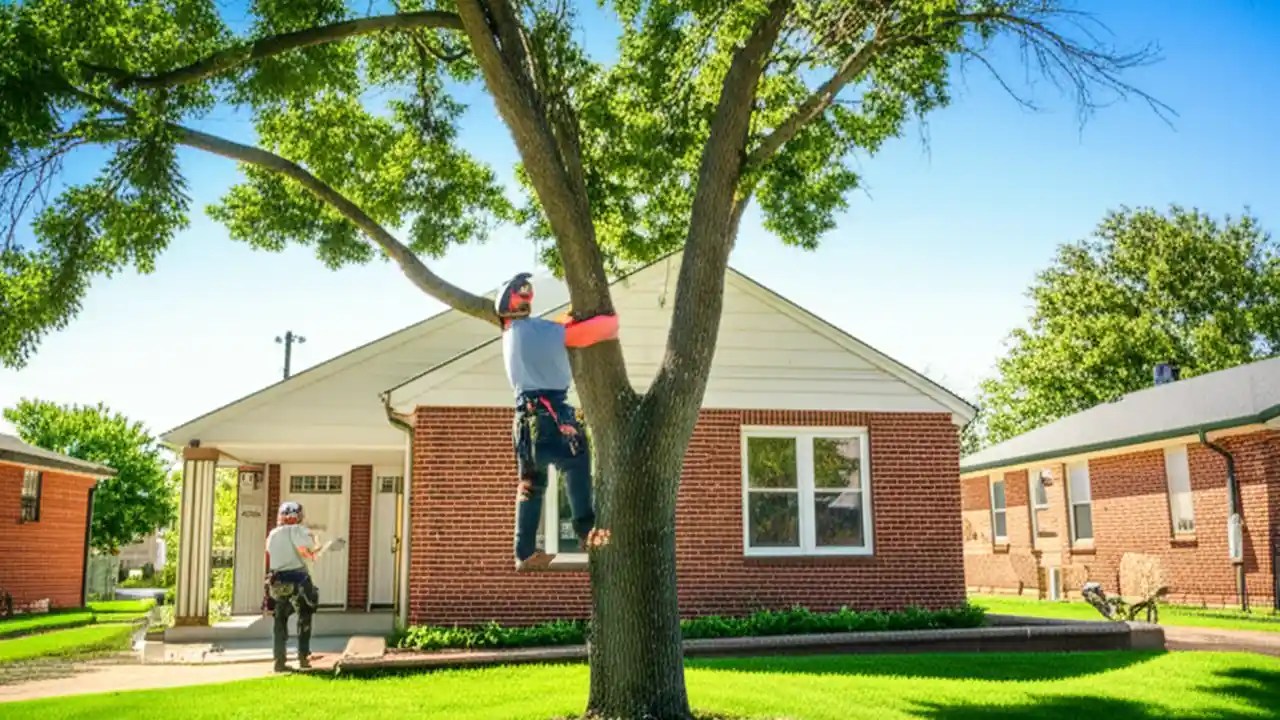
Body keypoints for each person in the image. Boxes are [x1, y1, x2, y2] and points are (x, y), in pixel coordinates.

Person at [499, 272, 618, 570]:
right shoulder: (539, 330)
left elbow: (557, 328)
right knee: (577, 464)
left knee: (530, 484)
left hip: (524, 424)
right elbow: (591, 332)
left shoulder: (513, 334)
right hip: (553, 417)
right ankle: (585, 531)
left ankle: (524, 553)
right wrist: (611, 321)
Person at [263, 500, 320, 672]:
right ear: (299, 516)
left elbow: (267, 558)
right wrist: (316, 547)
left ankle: (279, 661)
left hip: (277, 580)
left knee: (279, 620)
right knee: (304, 617)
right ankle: (303, 657)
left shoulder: (272, 534)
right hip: (299, 579)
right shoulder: (299, 531)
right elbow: (306, 553)